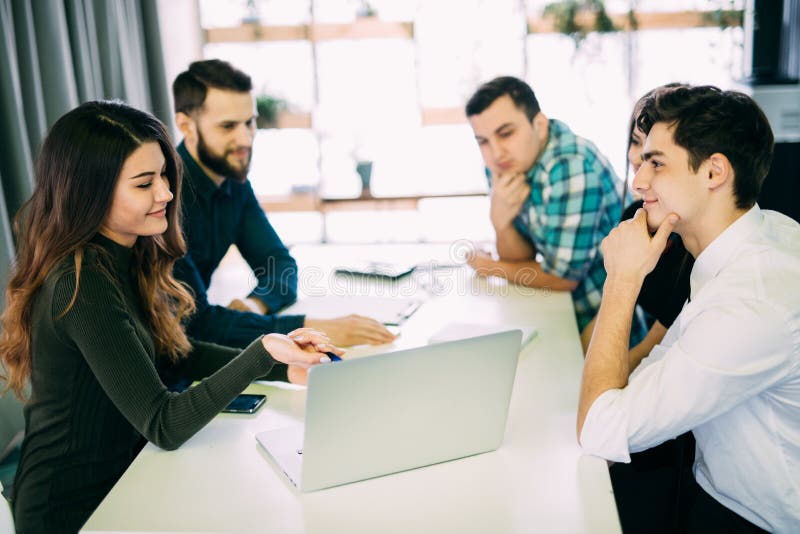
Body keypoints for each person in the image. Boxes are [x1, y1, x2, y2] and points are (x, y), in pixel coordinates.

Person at [0, 101, 340, 533]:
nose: (165, 193)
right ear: (90, 192)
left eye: (164, 175)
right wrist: (260, 354)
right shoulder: (82, 284)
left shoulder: (125, 254)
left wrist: (282, 364)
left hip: (125, 483)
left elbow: (173, 355)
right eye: (145, 183)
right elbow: (163, 424)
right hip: (73, 510)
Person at [578, 85, 800, 532]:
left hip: (754, 520)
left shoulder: (749, 304)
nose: (638, 181)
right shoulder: (760, 235)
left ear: (715, 172)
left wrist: (622, 279)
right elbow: (646, 376)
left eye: (656, 163)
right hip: (712, 489)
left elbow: (599, 431)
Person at [172, 59, 396, 349]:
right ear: (186, 126)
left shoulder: (233, 182)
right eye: (228, 126)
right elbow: (195, 323)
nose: (245, 139)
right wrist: (308, 328)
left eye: (249, 123)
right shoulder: (163, 198)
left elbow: (279, 264)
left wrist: (255, 305)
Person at [580, 85, 696, 532]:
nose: (637, 164)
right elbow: (611, 314)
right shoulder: (638, 214)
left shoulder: (691, 241)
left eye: (654, 156)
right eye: (635, 143)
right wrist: (576, 362)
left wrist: (591, 389)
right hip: (641, 379)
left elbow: (653, 348)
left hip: (670, 423)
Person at [464, 76, 640, 340]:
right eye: (483, 141)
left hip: (607, 323)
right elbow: (521, 258)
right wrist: (501, 222)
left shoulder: (570, 165)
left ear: (539, 124)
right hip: (555, 311)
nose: (496, 152)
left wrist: (490, 267)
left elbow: (563, 278)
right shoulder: (503, 166)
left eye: (506, 133)